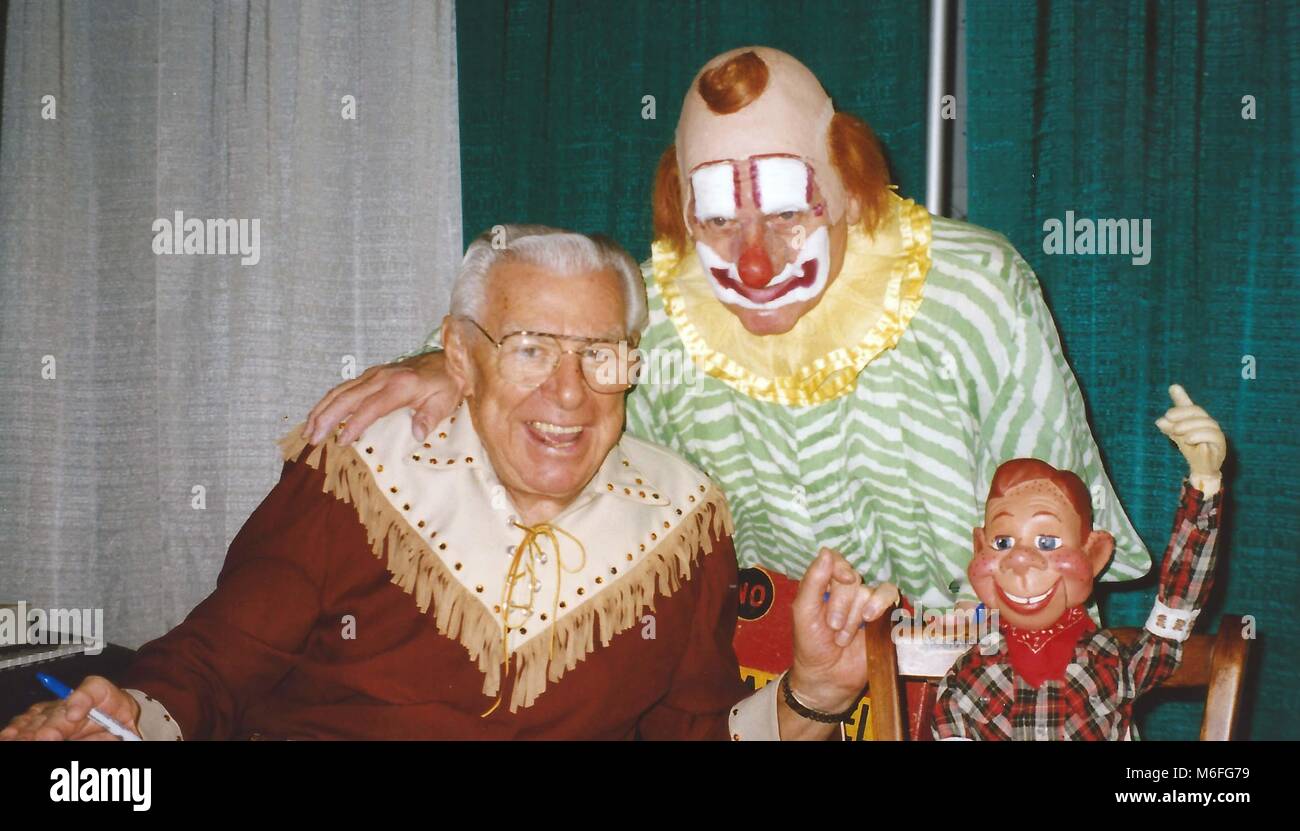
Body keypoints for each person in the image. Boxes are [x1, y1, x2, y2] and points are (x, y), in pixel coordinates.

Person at [301, 47, 1150, 614]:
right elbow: (539, 346)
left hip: (984, 683)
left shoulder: (973, 290)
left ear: (852, 188)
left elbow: (1063, 532)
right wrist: (448, 365)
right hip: (781, 690)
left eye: (786, 211)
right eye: (716, 219)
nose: (751, 261)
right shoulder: (662, 323)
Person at [1, 226, 895, 741]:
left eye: (599, 356)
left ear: (633, 364)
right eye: (531, 349)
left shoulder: (684, 522)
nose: (568, 394)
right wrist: (126, 719)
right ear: (461, 356)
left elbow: (691, 733)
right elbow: (216, 661)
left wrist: (812, 691)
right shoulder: (359, 470)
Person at [932, 385, 1225, 740]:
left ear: (1094, 554)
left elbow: (1176, 609)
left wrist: (1204, 485)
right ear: (980, 551)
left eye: (1047, 541)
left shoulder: (1113, 665)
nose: (1021, 561)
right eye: (1003, 542)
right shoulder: (965, 683)